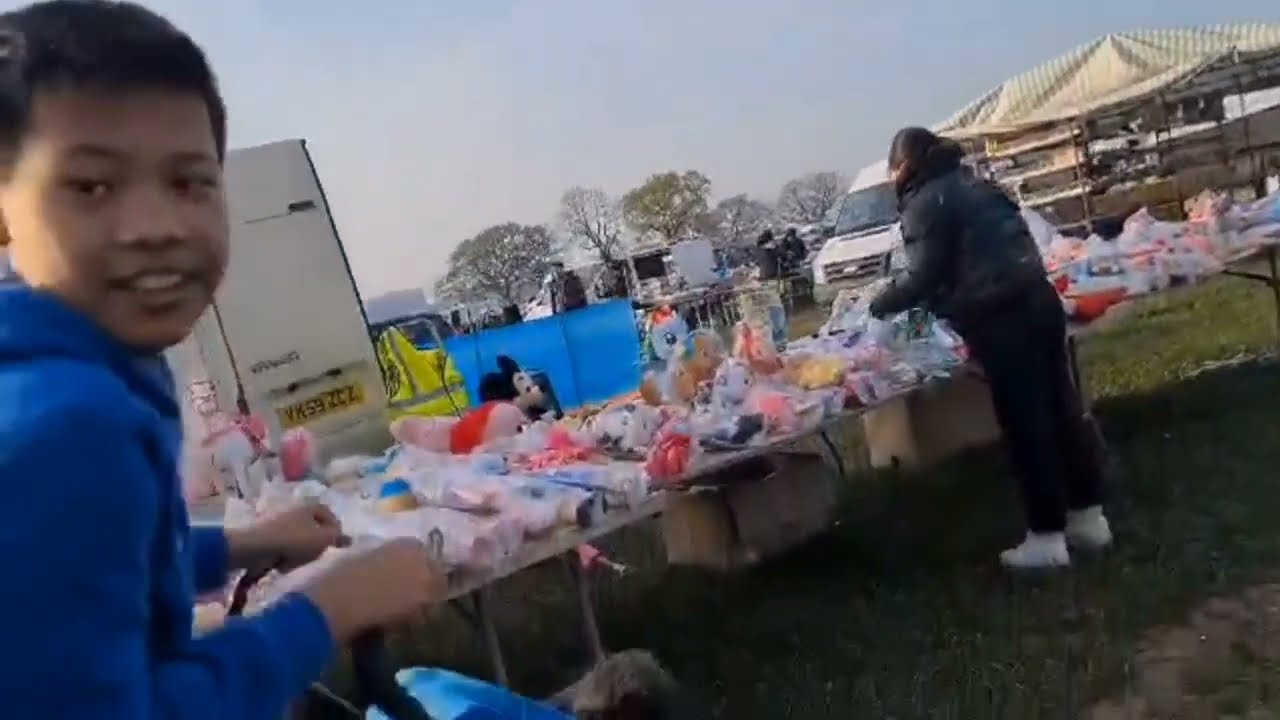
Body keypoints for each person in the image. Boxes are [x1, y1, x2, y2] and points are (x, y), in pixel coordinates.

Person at [0, 2, 446, 717]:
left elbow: (104, 567)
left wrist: (243, 543)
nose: (155, 228)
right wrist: (328, 611)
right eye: (91, 186)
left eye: (189, 182)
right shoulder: (70, 427)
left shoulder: (63, 375)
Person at [868, 126, 1110, 570]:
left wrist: (878, 304)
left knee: (1027, 424)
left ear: (904, 165)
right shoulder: (976, 183)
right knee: (1060, 408)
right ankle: (1089, 518)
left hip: (1001, 316)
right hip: (1038, 299)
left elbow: (924, 276)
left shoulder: (929, 201)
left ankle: (1047, 537)